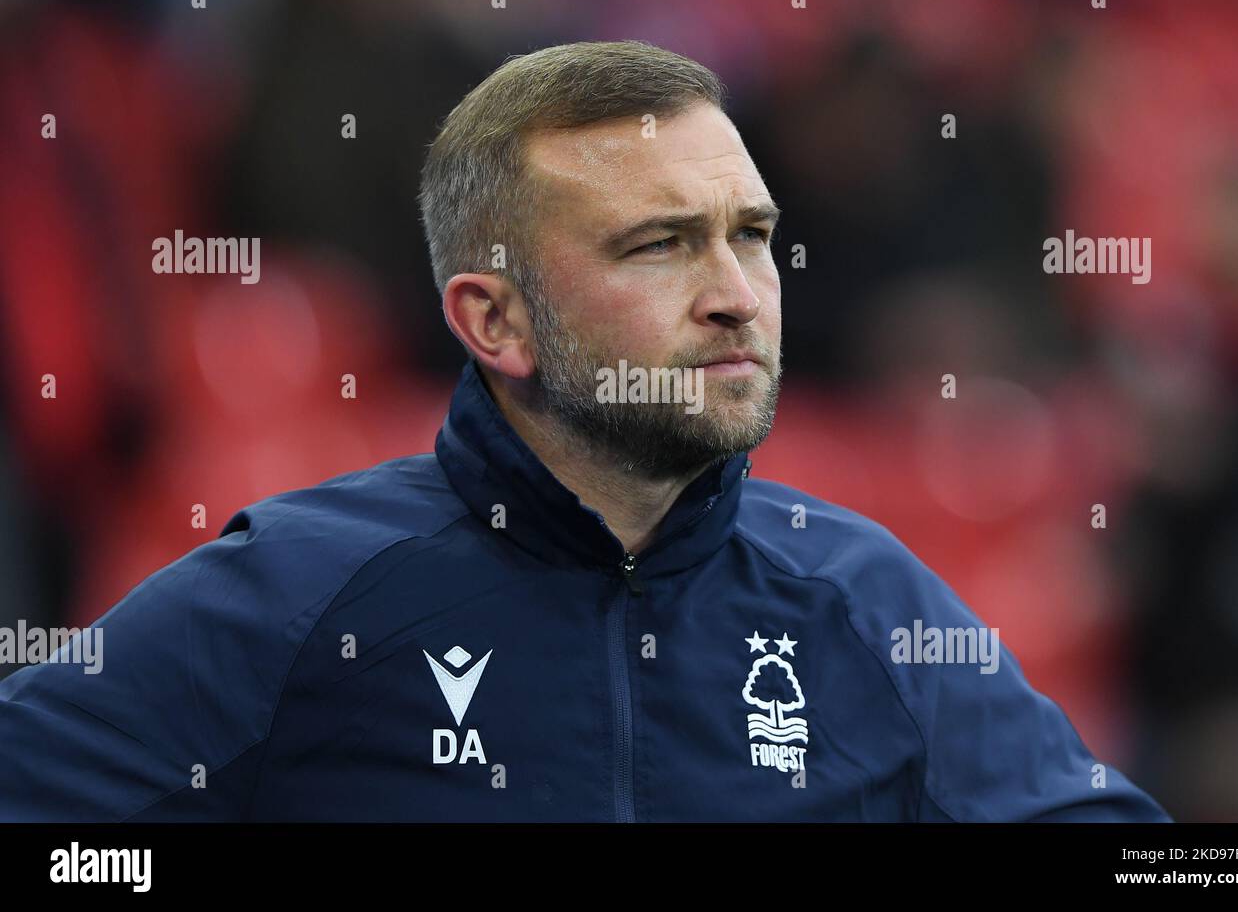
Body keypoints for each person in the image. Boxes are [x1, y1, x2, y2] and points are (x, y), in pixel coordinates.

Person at [0, 40, 1170, 821]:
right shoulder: (299, 597)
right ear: (493, 317)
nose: (736, 292)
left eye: (750, 234)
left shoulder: (867, 601)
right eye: (658, 243)